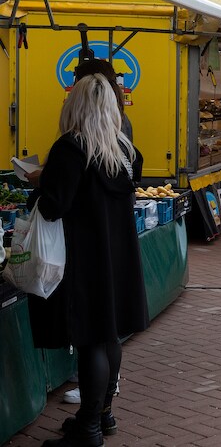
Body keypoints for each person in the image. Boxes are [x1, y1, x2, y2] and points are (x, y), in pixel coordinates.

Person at [30, 73, 148, 447]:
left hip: (83, 257)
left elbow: (54, 206)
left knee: (90, 341)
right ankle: (101, 414)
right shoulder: (126, 151)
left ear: (75, 105)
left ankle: (88, 429)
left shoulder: (71, 148)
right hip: (117, 256)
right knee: (109, 335)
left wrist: (41, 182)